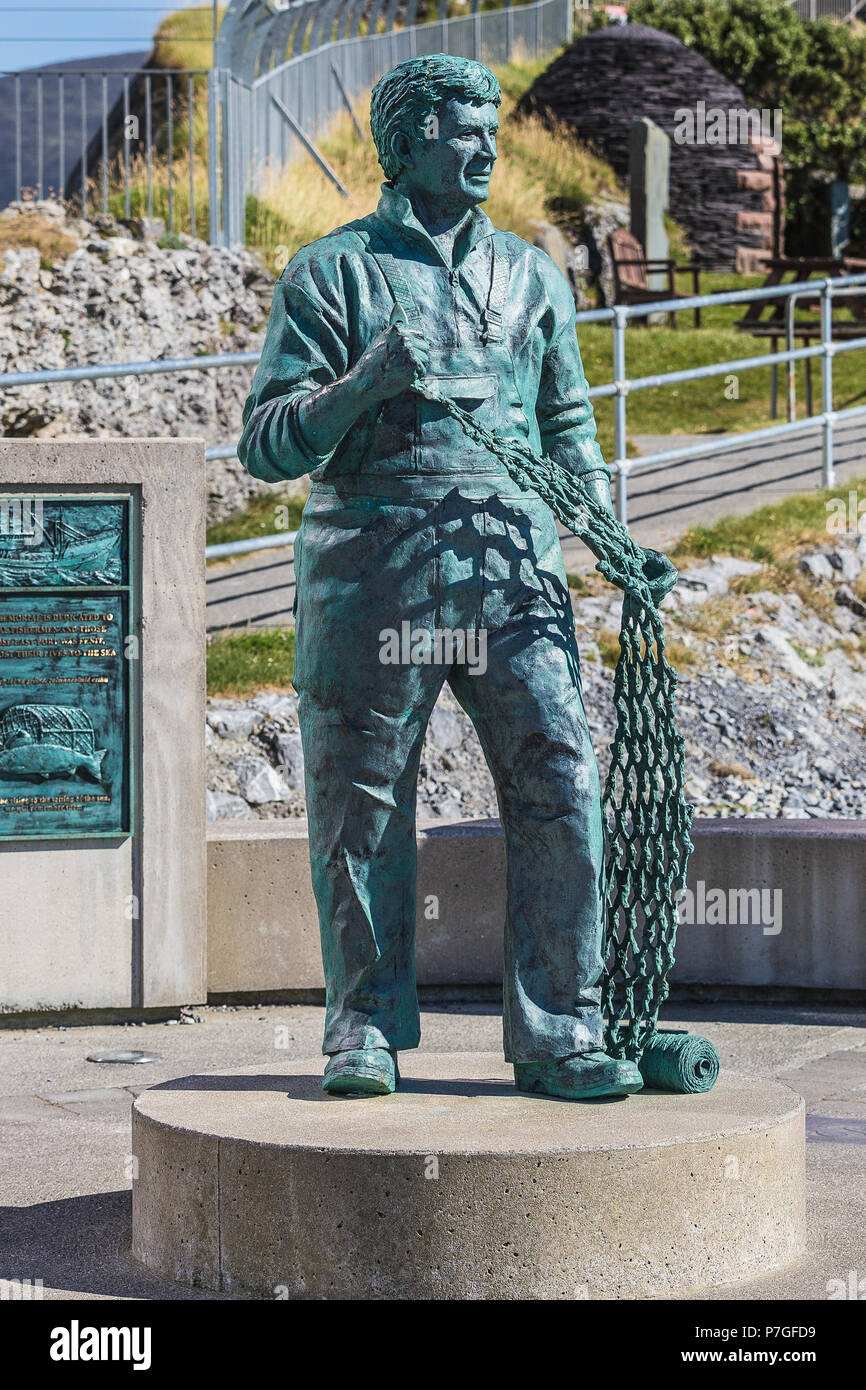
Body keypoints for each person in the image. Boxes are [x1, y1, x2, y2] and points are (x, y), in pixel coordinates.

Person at [239, 53, 672, 1100]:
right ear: (402, 143)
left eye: (487, 129)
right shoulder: (330, 273)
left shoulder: (530, 276)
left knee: (560, 782)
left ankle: (559, 1029)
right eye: (457, 130)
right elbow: (265, 446)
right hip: (371, 569)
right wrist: (359, 387)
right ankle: (363, 1027)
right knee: (361, 801)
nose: (481, 148)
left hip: (511, 569)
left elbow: (568, 428)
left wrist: (610, 535)